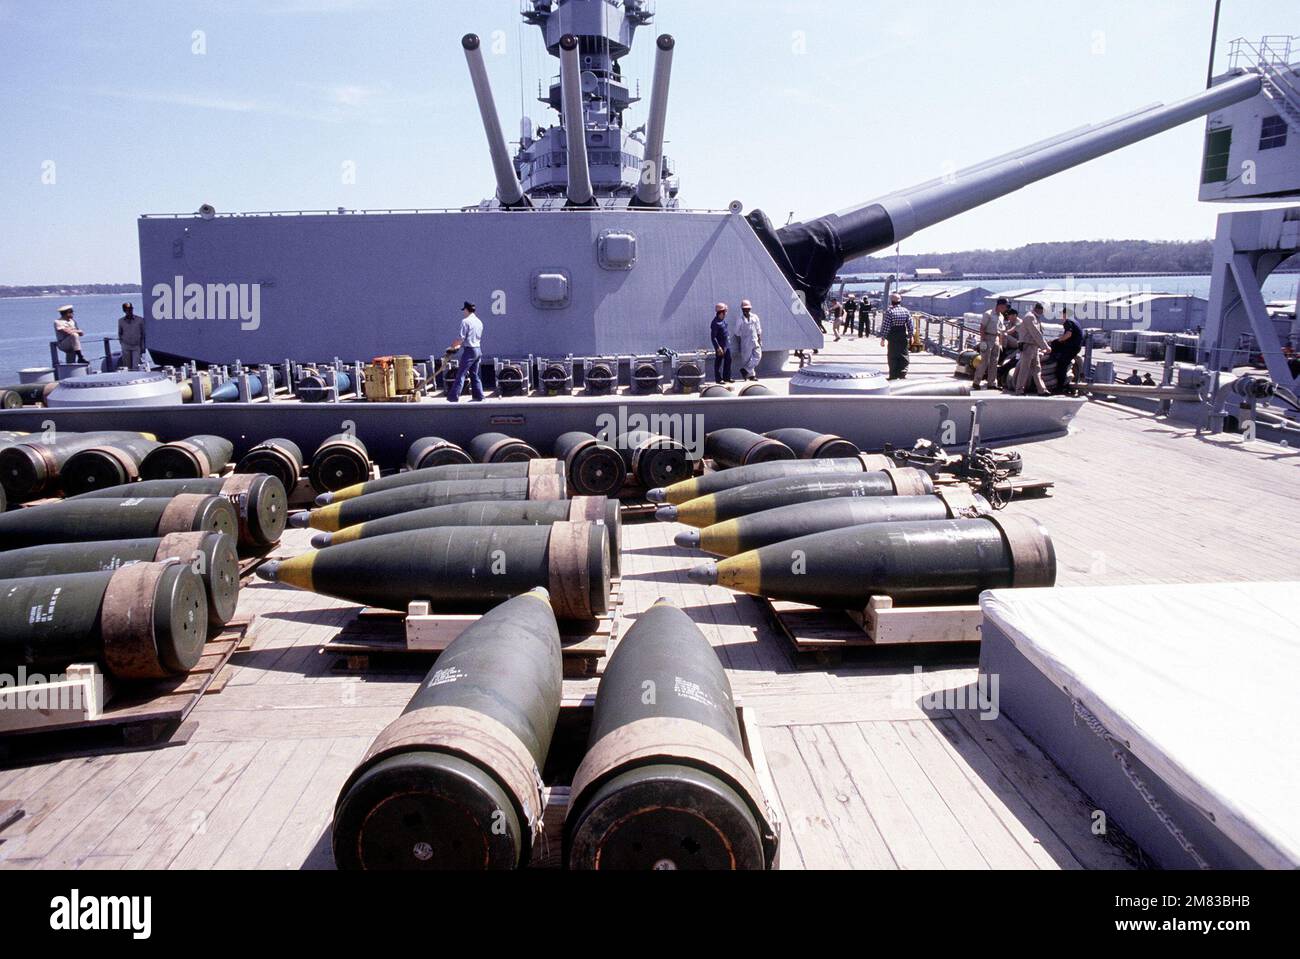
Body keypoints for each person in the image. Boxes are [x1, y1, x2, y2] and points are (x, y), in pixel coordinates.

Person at [446, 301, 485, 403]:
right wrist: (459, 345)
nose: (464, 312)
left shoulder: (465, 321)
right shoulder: (479, 322)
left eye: (464, 310)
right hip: (478, 350)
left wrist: (451, 347)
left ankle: (453, 397)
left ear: (467, 310)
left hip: (470, 351)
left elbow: (461, 338)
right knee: (474, 374)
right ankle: (479, 396)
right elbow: (472, 338)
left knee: (461, 374)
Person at [1012, 308, 1049, 396]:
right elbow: (1035, 333)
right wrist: (1045, 346)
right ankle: (1019, 389)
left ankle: (1041, 389)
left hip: (1033, 346)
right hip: (1028, 345)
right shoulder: (1030, 317)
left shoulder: (1034, 317)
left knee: (1036, 369)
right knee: (1025, 368)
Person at [1049, 307, 1085, 394]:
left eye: (1062, 314)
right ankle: (1063, 385)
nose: (1061, 316)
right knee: (1063, 363)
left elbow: (1068, 334)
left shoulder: (1068, 321)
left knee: (1061, 365)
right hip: (1075, 346)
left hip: (1071, 347)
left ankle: (1061, 387)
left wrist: (1058, 340)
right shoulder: (1074, 321)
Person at [976, 298, 1008, 390]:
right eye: (1005, 306)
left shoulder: (1001, 316)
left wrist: (1000, 343)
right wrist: (983, 341)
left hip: (996, 338)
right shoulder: (988, 314)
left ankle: (992, 383)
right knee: (984, 361)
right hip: (988, 337)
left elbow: (1000, 330)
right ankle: (976, 381)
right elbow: (982, 327)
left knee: (994, 362)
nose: (1006, 309)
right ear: (1000, 305)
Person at [880, 293, 913, 380]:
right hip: (902, 335)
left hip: (893, 336)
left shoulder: (890, 312)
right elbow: (910, 325)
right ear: (900, 301)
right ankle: (902, 373)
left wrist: (883, 338)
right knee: (904, 355)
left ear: (892, 302)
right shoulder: (906, 311)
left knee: (892, 355)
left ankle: (893, 375)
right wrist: (911, 336)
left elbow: (886, 326)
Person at [735, 299, 763, 381]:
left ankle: (745, 370)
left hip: (755, 340)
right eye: (744, 309)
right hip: (745, 342)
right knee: (747, 358)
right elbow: (736, 332)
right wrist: (741, 340)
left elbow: (758, 329)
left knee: (758, 356)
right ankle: (752, 376)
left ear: (750, 309)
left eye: (747, 309)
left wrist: (760, 339)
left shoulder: (755, 317)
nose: (746, 310)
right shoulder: (740, 319)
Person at [117, 303, 146, 370]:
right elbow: (120, 333)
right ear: (124, 310)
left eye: (131, 309)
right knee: (127, 367)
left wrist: (143, 347)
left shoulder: (140, 320)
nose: (130, 311)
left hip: (136, 346)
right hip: (126, 346)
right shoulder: (121, 321)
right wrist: (122, 344)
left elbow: (143, 334)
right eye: (128, 309)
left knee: (135, 366)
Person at [710, 302, 733, 384]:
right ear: (721, 312)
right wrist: (718, 347)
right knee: (718, 362)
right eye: (725, 312)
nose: (726, 313)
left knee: (728, 360)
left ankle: (727, 377)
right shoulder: (715, 323)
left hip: (726, 345)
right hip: (720, 346)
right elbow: (713, 337)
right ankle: (718, 379)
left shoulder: (722, 321)